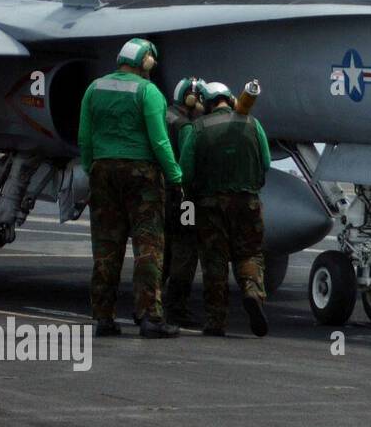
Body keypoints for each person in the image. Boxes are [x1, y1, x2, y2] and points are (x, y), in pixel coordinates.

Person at [78, 37, 182, 338]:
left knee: (106, 250)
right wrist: (175, 176)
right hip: (142, 176)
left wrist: (92, 168)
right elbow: (160, 141)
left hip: (102, 171)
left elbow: (85, 138)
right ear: (146, 62)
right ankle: (150, 317)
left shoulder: (94, 89)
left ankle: (103, 318)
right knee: (148, 248)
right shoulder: (148, 92)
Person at [178, 82, 271, 337]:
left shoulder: (197, 128)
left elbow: (185, 171)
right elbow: (266, 161)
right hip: (247, 201)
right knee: (249, 254)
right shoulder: (253, 124)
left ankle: (215, 320)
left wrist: (190, 197)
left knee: (214, 260)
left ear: (206, 103)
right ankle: (253, 292)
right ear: (230, 100)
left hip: (210, 206)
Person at [162, 77, 206, 327]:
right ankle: (176, 309)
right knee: (186, 252)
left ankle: (148, 303)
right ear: (191, 98)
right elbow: (187, 167)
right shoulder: (185, 127)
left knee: (162, 250)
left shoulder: (163, 116)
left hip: (159, 193)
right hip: (183, 198)